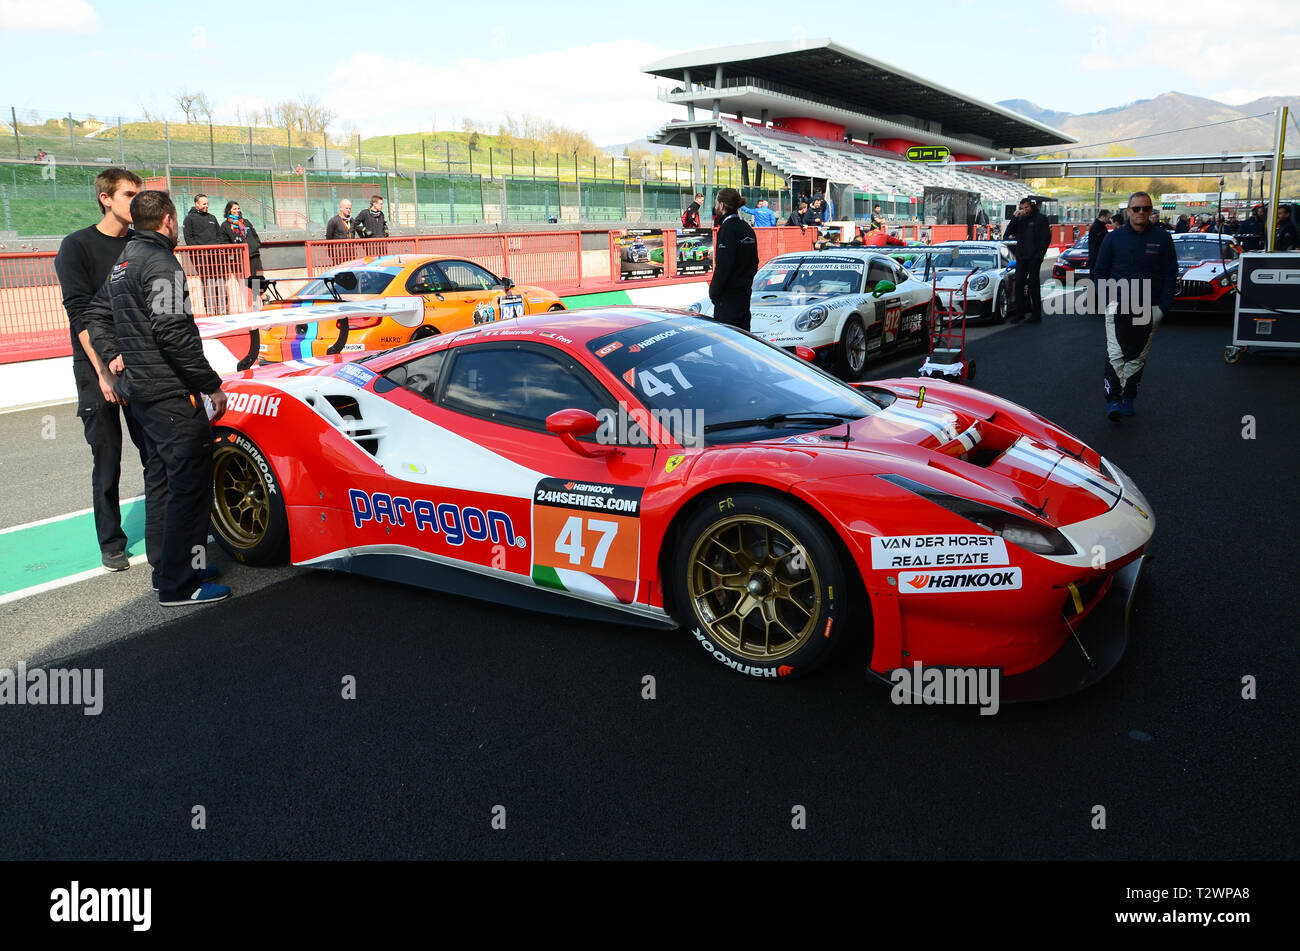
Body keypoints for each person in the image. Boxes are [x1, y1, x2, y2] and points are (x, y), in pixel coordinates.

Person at [93, 190, 231, 606]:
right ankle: (180, 584)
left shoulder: (123, 262)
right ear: (169, 220)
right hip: (170, 395)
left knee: (161, 481)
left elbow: (96, 314)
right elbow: (172, 331)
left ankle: (167, 569)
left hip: (143, 395)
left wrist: (113, 353)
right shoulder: (161, 263)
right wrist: (210, 384)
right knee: (188, 485)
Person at [53, 167, 166, 574]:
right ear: (105, 198)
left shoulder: (140, 244)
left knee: (155, 452)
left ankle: (163, 536)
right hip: (95, 368)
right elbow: (79, 315)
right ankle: (112, 542)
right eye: (128, 194)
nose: (137, 201)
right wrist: (103, 372)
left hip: (140, 364)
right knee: (108, 457)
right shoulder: (76, 246)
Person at [1093, 191, 1177, 422]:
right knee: (1116, 354)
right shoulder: (1113, 238)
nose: (1141, 212)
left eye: (1146, 208)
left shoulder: (1162, 238)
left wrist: (1163, 307)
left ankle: (1129, 397)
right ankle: (1113, 400)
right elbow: (1099, 272)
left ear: (1151, 212)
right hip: (1118, 304)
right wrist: (1107, 299)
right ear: (1128, 211)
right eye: (1137, 208)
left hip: (1148, 306)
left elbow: (1171, 274)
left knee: (1137, 356)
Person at [708, 187, 758, 331]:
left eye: (717, 203)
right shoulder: (746, 227)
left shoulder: (727, 229)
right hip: (744, 296)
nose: (716, 207)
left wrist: (714, 292)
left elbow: (723, 266)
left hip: (728, 300)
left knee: (724, 347)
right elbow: (754, 262)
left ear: (722, 205)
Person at [1002, 197, 1051, 323]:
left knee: (1034, 285)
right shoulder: (1020, 218)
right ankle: (1020, 313)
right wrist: (1015, 217)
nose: (1024, 210)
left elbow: (1045, 239)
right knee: (1018, 284)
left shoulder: (1041, 219)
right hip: (1022, 257)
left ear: (1032, 206)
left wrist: (1039, 256)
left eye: (1026, 207)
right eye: (1022, 208)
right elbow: (1007, 234)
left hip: (1034, 257)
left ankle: (1036, 314)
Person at [182, 194, 228, 314]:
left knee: (220, 280)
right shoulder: (189, 218)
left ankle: (223, 309)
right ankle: (211, 310)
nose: (206, 206)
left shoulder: (212, 217)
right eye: (204, 204)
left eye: (207, 203)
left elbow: (219, 235)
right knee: (207, 282)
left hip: (216, 256)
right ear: (196, 204)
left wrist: (217, 247)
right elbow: (189, 238)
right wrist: (200, 250)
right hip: (201, 257)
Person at [219, 201, 262, 289]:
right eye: (234, 209)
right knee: (245, 278)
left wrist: (256, 244)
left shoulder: (245, 222)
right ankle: (250, 298)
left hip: (253, 253)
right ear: (229, 211)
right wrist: (234, 251)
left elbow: (254, 234)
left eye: (238, 208)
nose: (237, 210)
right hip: (239, 256)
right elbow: (224, 241)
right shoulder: (225, 225)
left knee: (253, 277)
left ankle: (256, 299)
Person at [1087, 209, 1111, 276]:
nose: (1109, 220)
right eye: (1108, 218)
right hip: (1097, 259)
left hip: (1096, 258)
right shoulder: (1098, 227)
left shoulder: (1099, 226)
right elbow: (1099, 244)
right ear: (1103, 217)